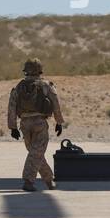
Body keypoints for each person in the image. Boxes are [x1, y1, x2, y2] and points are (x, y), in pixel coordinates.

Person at [7, 57, 65, 191]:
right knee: (36, 153)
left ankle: (49, 180)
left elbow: (11, 107)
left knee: (36, 153)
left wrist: (13, 127)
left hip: (24, 124)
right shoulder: (46, 85)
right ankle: (28, 181)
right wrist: (59, 122)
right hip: (40, 123)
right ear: (40, 70)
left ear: (25, 71)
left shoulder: (19, 87)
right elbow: (55, 104)